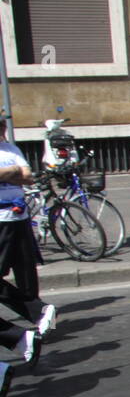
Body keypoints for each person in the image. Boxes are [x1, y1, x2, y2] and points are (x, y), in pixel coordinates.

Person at [0, 120, 53, 345]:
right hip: (1, 220)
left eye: (2, 125)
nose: (2, 129)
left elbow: (28, 176)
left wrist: (7, 173)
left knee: (26, 272)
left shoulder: (12, 149)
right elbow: (19, 173)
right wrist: (14, 171)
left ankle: (40, 319)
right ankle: (37, 312)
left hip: (19, 217)